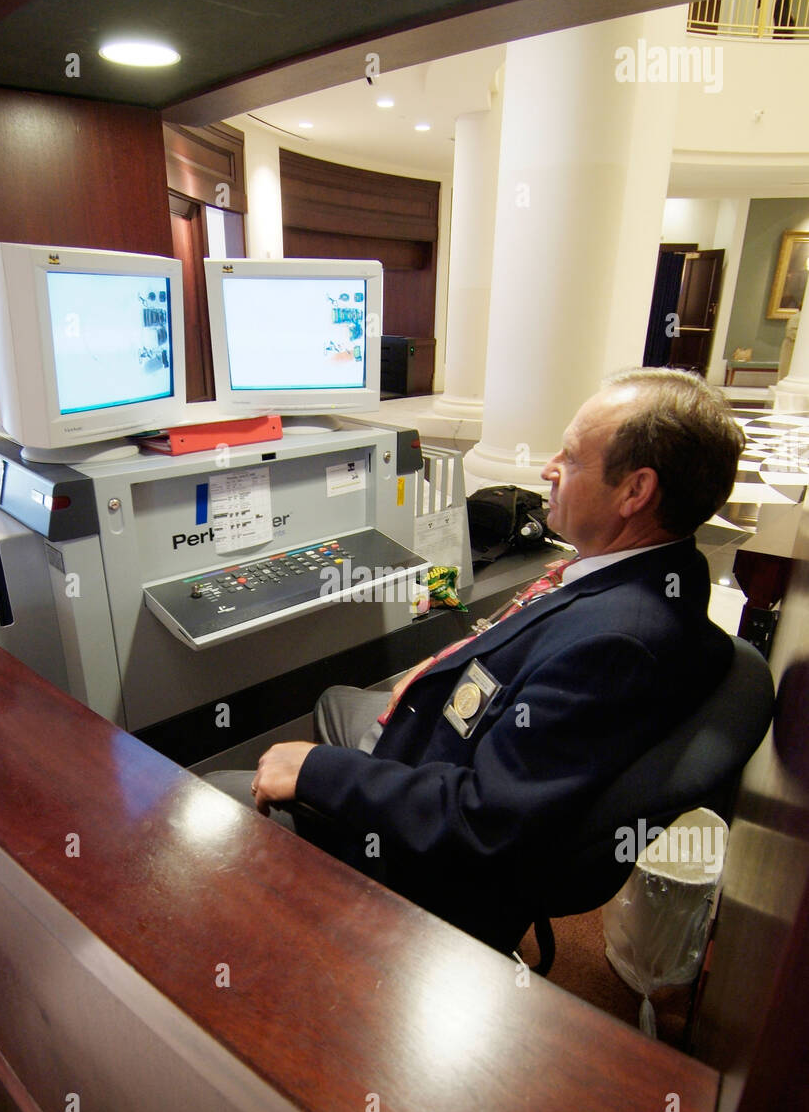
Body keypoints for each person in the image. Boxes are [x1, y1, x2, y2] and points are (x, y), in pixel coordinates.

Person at [206, 367, 744, 954]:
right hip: (461, 748)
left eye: (571, 457)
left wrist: (315, 771)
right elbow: (536, 655)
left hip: (439, 863)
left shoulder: (620, 644)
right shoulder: (660, 575)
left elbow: (481, 822)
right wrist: (451, 663)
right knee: (334, 699)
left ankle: (320, 924)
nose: (547, 470)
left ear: (635, 492)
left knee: (216, 797)